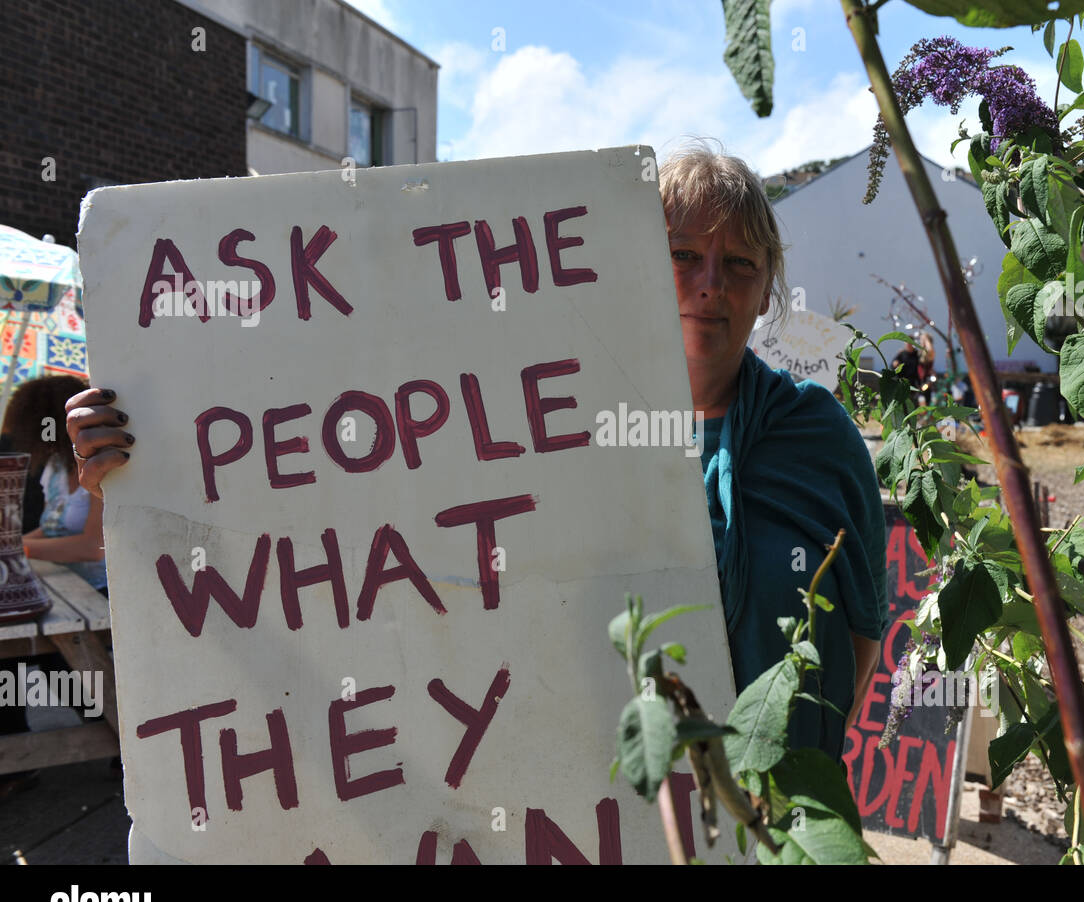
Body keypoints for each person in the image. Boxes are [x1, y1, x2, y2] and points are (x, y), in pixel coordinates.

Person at [67, 143, 887, 763]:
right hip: (612, 805)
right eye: (681, 254)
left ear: (767, 283)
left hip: (777, 818)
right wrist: (142, 463)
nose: (711, 282)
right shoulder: (544, 420)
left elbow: (857, 637)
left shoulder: (819, 440)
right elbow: (325, 518)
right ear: (631, 261)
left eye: (738, 263)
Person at [3, 374, 107, 596]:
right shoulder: (55, 466)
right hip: (68, 586)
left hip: (103, 593)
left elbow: (93, 547)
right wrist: (9, 544)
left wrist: (15, 548)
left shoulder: (99, 465)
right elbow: (51, 527)